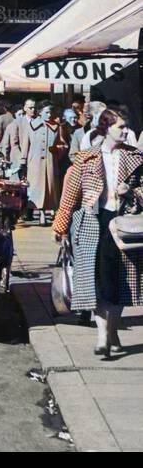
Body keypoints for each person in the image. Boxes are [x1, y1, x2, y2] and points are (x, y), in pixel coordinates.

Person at [53, 108, 143, 360]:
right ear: (106, 128)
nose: (126, 131)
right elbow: (69, 196)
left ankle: (113, 332)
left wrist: (132, 192)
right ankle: (103, 335)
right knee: (98, 281)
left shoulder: (136, 158)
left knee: (123, 282)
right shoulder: (87, 158)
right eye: (121, 127)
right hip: (95, 223)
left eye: (126, 127)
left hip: (126, 225)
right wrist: (60, 227)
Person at [25, 104, 59, 225]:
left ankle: (49, 211)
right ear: (40, 113)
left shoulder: (56, 127)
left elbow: (63, 144)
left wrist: (58, 149)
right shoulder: (31, 126)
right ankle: (41, 214)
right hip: (35, 163)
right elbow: (26, 144)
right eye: (46, 112)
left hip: (50, 162)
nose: (49, 115)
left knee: (50, 188)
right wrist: (24, 160)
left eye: (50, 112)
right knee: (36, 189)